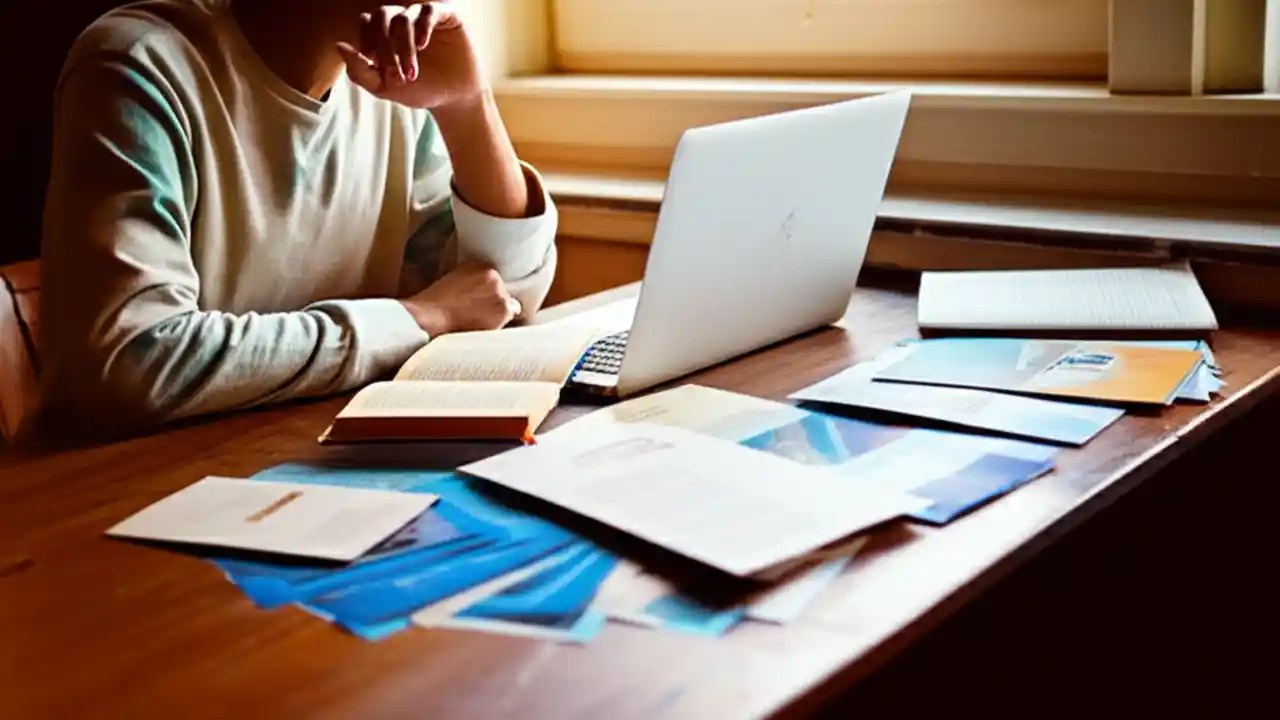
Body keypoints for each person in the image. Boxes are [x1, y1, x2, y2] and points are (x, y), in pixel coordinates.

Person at [36, 0, 558, 439]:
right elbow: (133, 364)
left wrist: (467, 107)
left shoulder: (393, 86)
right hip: (111, 494)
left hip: (295, 455)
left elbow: (498, 295)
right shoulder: (140, 64)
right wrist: (421, 318)